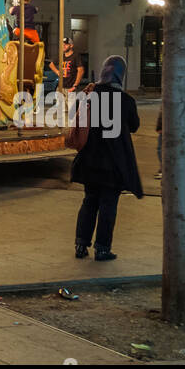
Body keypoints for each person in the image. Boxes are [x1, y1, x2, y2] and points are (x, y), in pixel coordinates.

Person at [71, 54, 143, 261]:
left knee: (89, 201)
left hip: (89, 160)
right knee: (108, 205)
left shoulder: (89, 94)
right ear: (121, 75)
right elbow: (135, 126)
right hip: (114, 162)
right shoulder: (126, 100)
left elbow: (76, 116)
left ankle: (81, 245)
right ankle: (102, 248)